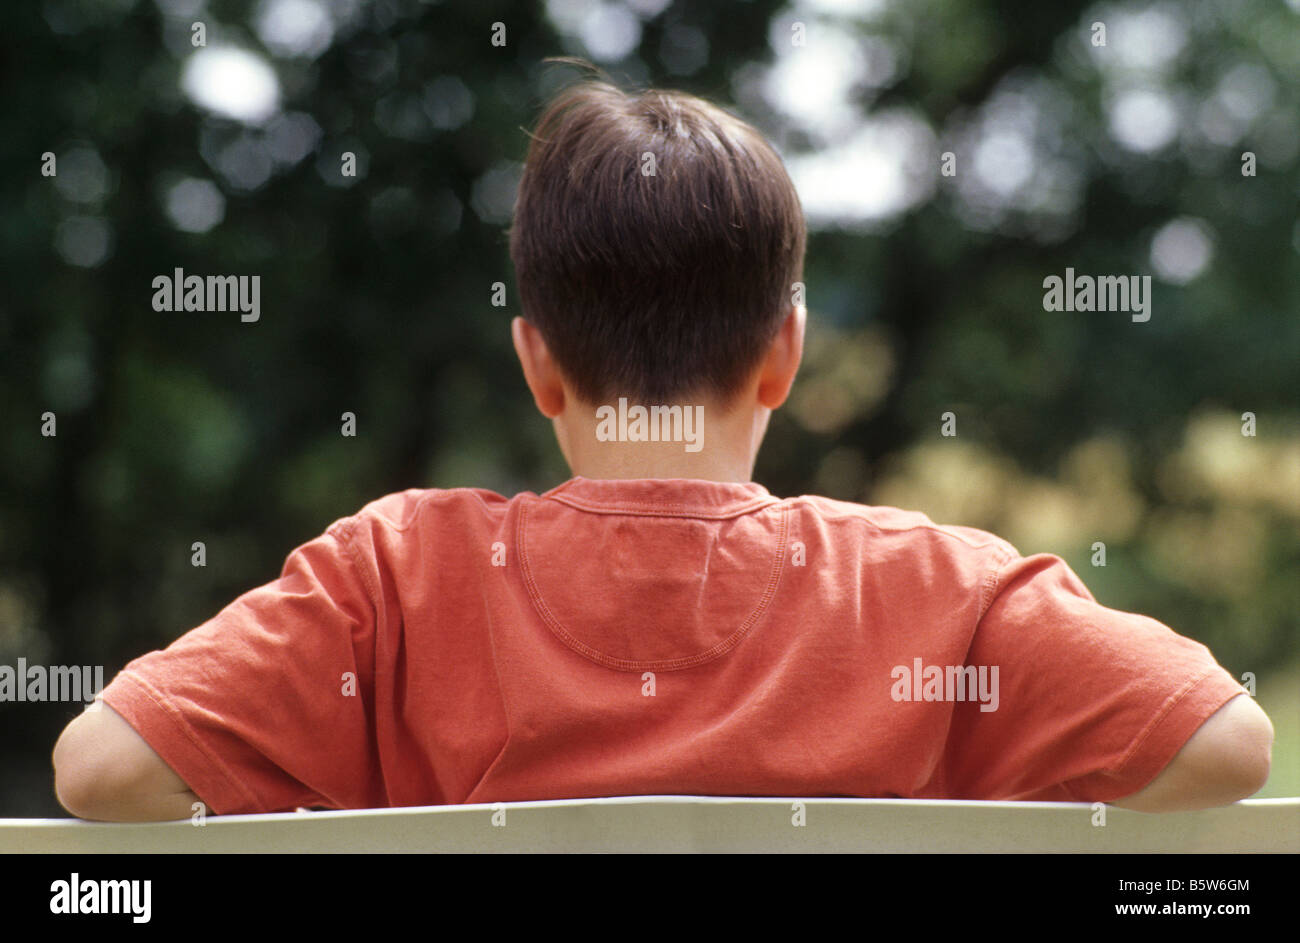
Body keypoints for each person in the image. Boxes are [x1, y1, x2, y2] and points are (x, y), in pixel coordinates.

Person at [52, 77, 1271, 821]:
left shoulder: (393, 580)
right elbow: (1223, 745)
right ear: (784, 356)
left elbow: (104, 773)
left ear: (537, 365)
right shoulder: (935, 594)